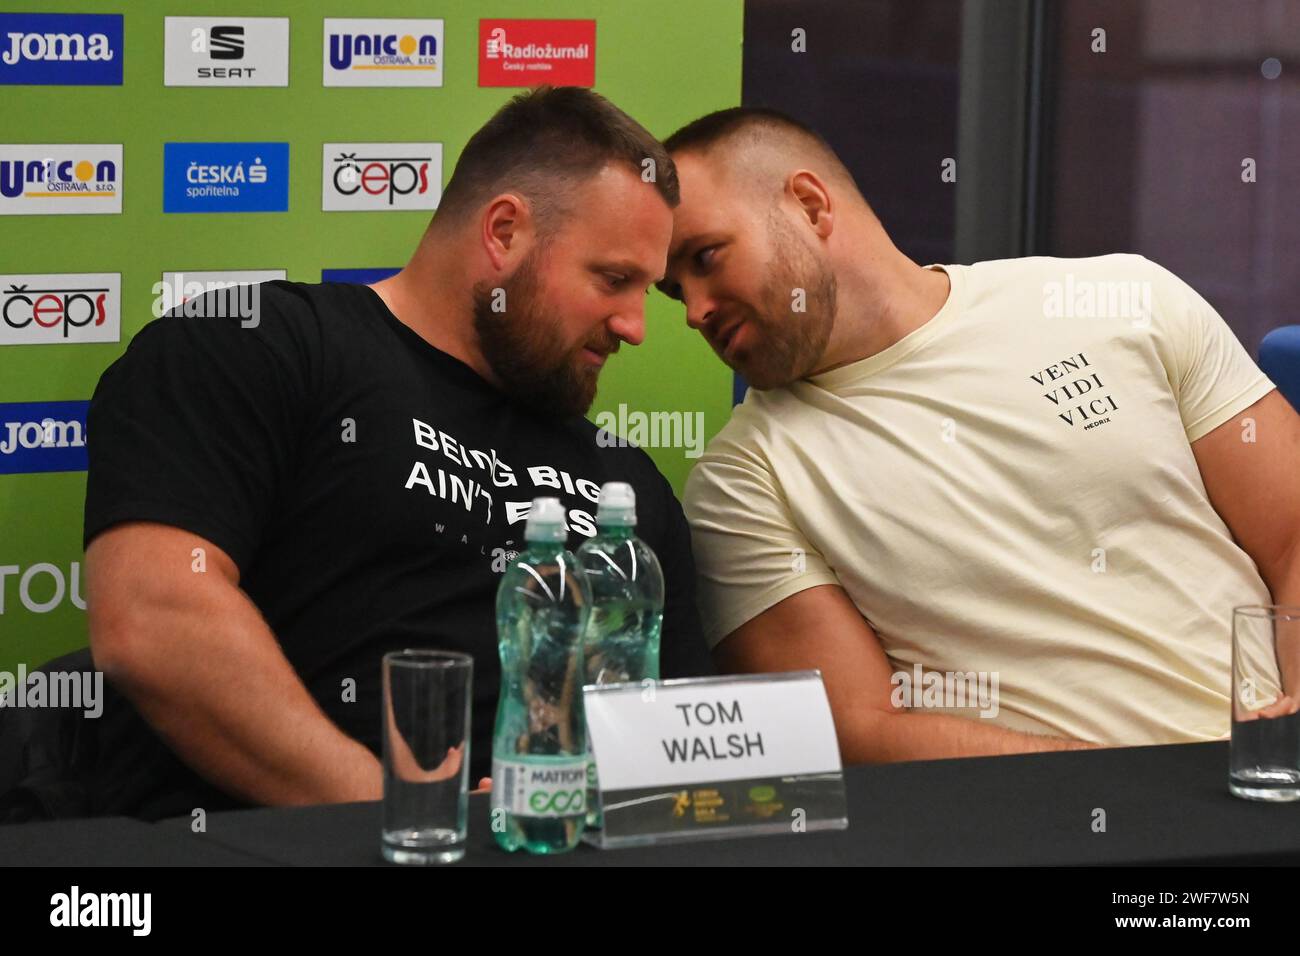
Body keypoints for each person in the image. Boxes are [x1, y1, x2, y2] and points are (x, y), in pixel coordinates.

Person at [45, 86, 710, 821]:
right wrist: (408, 815)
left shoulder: (628, 482)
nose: (636, 325)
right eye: (614, 280)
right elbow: (153, 619)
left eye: (647, 290)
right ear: (505, 232)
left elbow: (673, 748)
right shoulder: (256, 347)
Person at [657, 107, 1300, 762]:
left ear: (810, 205)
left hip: (1271, 772)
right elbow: (858, 728)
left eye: (706, 258)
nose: (696, 311)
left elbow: (1293, 534)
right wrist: (1112, 789)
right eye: (674, 291)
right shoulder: (743, 481)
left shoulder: (1121, 300)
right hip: (1052, 819)